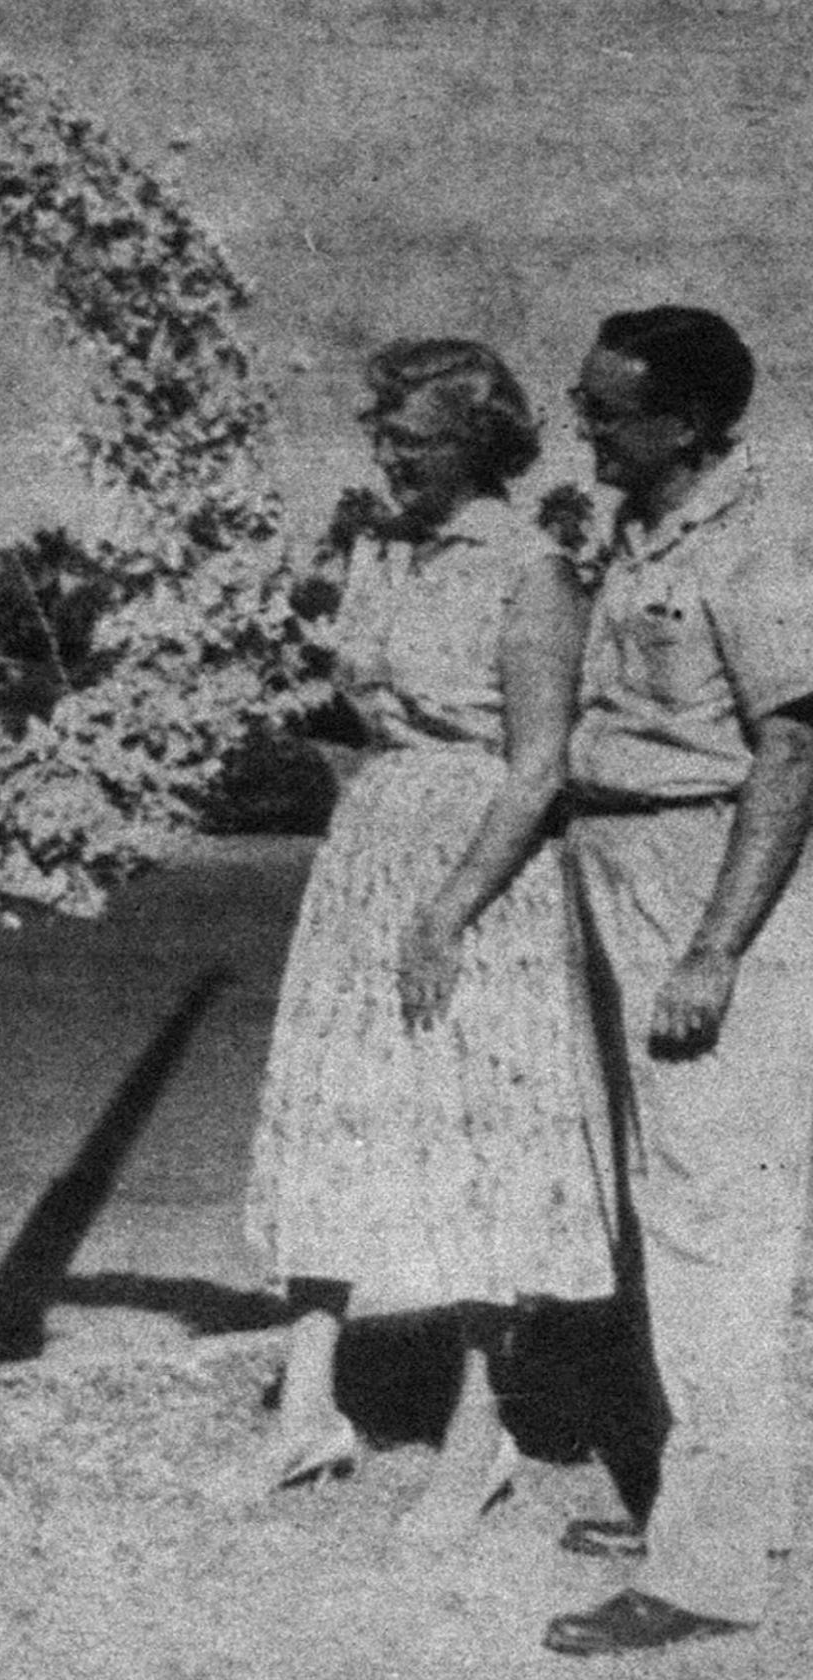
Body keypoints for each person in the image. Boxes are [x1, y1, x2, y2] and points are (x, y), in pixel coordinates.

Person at [228, 340, 617, 1533]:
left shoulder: (531, 573)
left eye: (410, 439)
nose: (387, 457)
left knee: (472, 1130)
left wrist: (444, 905)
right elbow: (361, 710)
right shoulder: (375, 552)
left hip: (478, 871)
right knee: (329, 1107)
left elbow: (538, 765)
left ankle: (479, 1427)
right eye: (379, 437)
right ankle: (308, 1407)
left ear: (478, 443)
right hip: (370, 844)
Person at [536, 306, 813, 1658]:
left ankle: (710, 1570)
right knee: (657, 1209)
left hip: (706, 885)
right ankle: (709, 1504)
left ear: (691, 423)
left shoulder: (761, 543)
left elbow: (794, 754)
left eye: (607, 412)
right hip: (620, 868)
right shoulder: (644, 530)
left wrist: (716, 946)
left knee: (719, 1229)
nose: (582, 429)